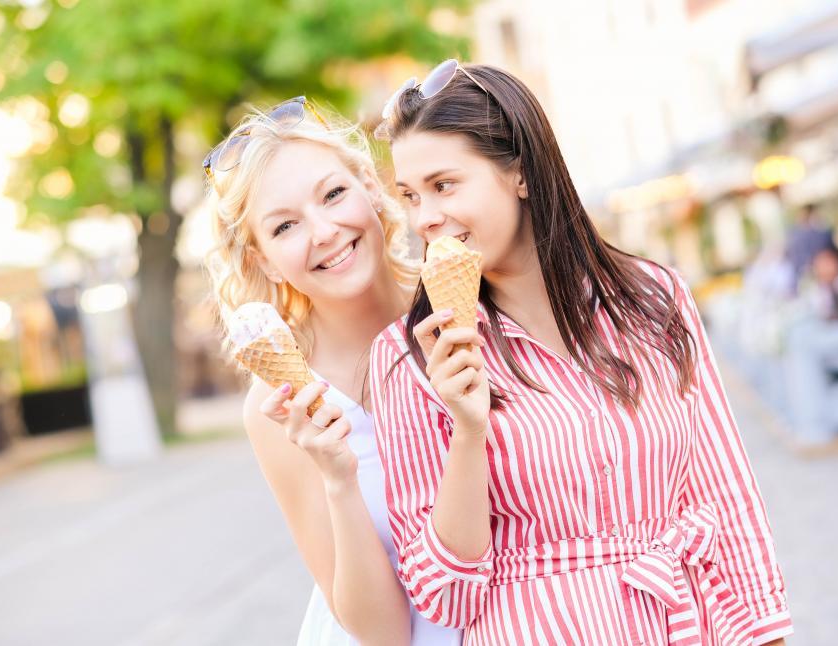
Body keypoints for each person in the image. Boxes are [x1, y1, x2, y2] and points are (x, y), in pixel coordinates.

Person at [369, 61, 792, 645]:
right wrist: (468, 430)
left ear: (519, 171)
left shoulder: (653, 298)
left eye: (444, 185)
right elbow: (445, 593)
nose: (426, 218)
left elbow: (725, 495)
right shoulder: (408, 358)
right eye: (410, 196)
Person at [204, 96, 462, 646]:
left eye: (334, 194)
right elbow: (381, 634)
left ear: (370, 186)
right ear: (262, 260)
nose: (323, 231)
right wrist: (337, 478)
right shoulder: (278, 405)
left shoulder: (464, 308)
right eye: (285, 226)